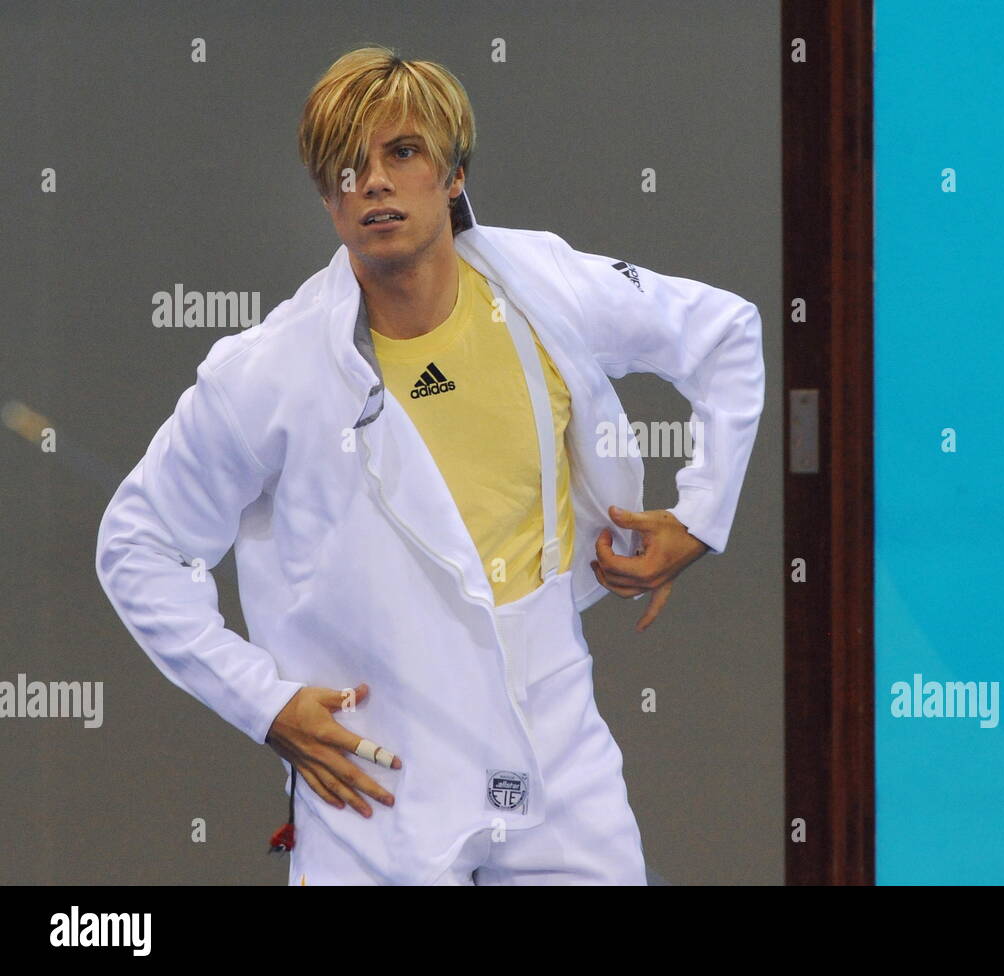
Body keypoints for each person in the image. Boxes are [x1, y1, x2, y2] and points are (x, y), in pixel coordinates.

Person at [94, 44, 764, 885]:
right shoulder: (265, 373)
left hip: (557, 745)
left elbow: (726, 334)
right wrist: (262, 702)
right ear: (326, 197)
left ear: (453, 174)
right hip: (374, 775)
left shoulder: (545, 287)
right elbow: (139, 545)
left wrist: (700, 516)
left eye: (402, 153)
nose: (372, 182)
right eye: (347, 166)